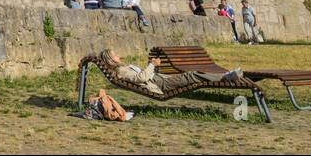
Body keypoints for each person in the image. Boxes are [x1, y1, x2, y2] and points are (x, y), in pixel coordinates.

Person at [104, 50, 242, 96]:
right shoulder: (121, 71)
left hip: (159, 79)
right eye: (115, 55)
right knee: (191, 75)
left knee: (192, 75)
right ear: (111, 60)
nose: (118, 56)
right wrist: (152, 64)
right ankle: (225, 77)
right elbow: (142, 78)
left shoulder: (123, 68)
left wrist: (153, 66)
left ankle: (225, 76)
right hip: (160, 83)